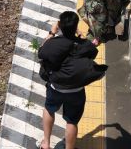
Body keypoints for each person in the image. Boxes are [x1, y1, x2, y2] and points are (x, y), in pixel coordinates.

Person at [38, 10, 107, 149]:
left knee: (49, 109)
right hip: (76, 90)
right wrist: (80, 34)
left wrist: (52, 33)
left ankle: (45, 143)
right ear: (76, 26)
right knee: (72, 121)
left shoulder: (54, 43)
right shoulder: (84, 45)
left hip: (56, 87)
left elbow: (41, 52)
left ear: (60, 26)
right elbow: (93, 52)